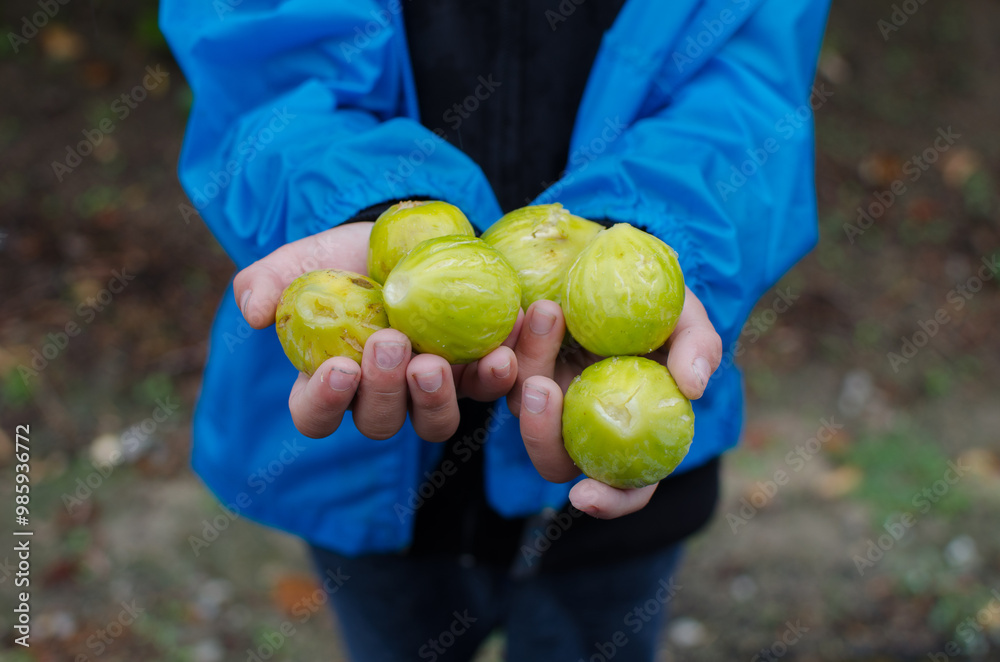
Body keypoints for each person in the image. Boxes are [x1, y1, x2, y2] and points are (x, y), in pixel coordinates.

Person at [160, 0, 830, 659]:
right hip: (367, 470)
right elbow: (257, 59)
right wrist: (361, 201)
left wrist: (661, 232)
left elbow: (750, 82)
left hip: (622, 425)